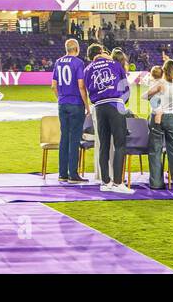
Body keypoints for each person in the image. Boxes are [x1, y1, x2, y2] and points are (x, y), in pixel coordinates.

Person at [84, 43, 133, 194]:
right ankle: (118, 182)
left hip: (98, 107)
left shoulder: (87, 69)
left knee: (104, 144)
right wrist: (122, 103)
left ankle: (105, 182)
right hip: (115, 104)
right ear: (102, 52)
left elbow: (87, 88)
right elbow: (125, 88)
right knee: (120, 144)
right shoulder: (116, 64)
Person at [50, 38, 88, 183]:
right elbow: (81, 86)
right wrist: (87, 105)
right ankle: (73, 174)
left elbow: (53, 85)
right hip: (76, 104)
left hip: (62, 103)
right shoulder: (78, 63)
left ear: (66, 49)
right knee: (74, 138)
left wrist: (60, 98)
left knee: (64, 138)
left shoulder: (58, 62)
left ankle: (62, 173)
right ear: (77, 48)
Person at [148, 60, 173, 191]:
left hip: (157, 116)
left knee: (155, 150)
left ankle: (156, 183)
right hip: (172, 117)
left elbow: (151, 98)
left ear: (164, 72)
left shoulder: (160, 84)